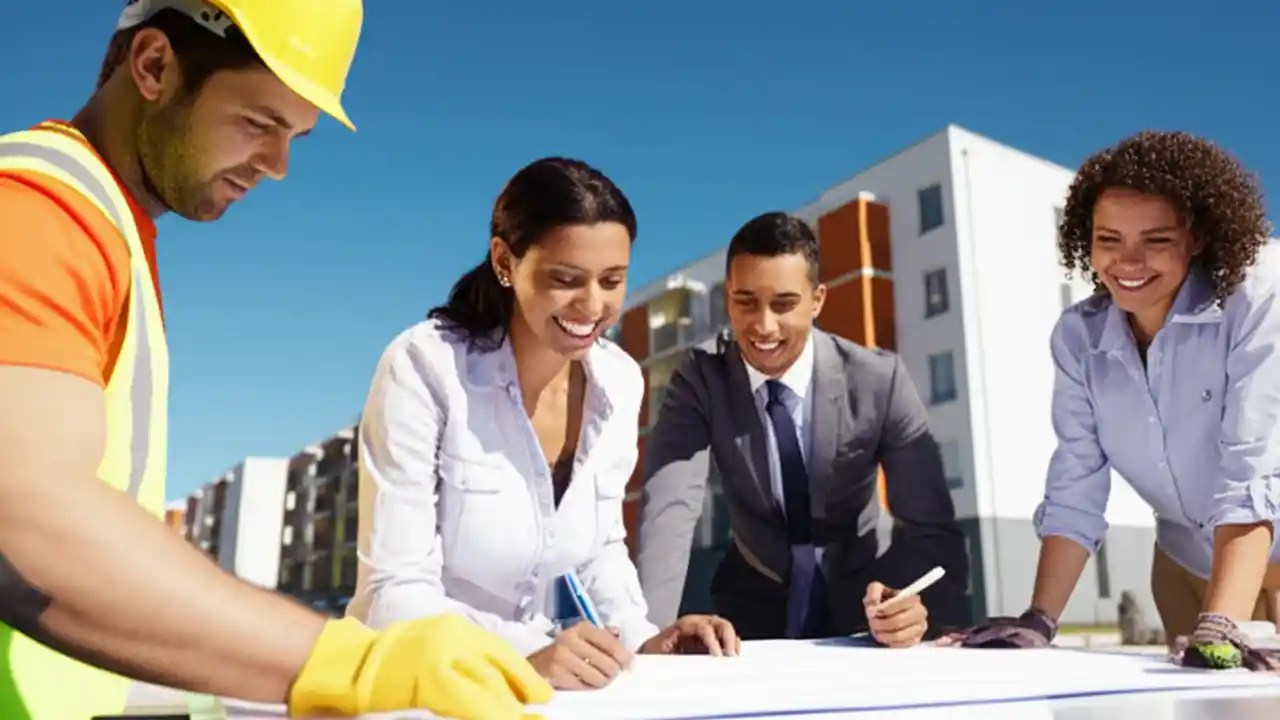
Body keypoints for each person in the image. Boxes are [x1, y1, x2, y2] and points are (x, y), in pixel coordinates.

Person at [0, 2, 552, 719]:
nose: (279, 165)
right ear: (154, 66)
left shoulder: (107, 228)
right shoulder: (36, 210)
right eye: (259, 123)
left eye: (295, 135)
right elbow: (23, 521)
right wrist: (352, 664)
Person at [347, 156, 742, 692]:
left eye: (612, 280)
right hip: (416, 690)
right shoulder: (424, 367)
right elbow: (389, 595)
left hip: (537, 693)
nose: (592, 305)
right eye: (565, 279)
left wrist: (643, 639)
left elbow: (601, 546)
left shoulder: (620, 381)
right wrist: (528, 652)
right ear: (504, 261)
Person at [940, 130, 1280, 672]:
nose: (1129, 260)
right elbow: (1077, 481)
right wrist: (1039, 620)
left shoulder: (1254, 304)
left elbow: (1251, 471)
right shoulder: (1079, 339)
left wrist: (1222, 624)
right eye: (1109, 239)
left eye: (1157, 240)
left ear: (1196, 238)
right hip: (1185, 569)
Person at [634, 211, 971, 645]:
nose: (764, 325)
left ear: (817, 300)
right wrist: (646, 641)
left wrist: (936, 623)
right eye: (746, 301)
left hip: (867, 600)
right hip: (749, 606)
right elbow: (670, 508)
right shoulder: (701, 377)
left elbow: (929, 525)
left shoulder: (879, 380)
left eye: (784, 303)